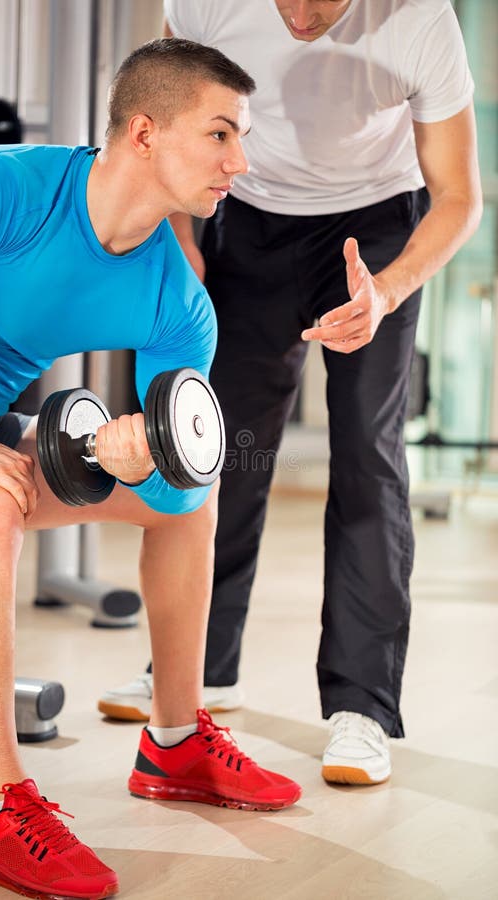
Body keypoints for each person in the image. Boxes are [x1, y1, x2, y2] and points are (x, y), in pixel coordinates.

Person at [0, 38, 302, 900]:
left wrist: (143, 456)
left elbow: (174, 482)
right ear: (146, 132)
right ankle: (0, 808)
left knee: (197, 491)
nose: (242, 161)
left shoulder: (176, 302)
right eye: (223, 135)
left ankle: (176, 737)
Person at [99, 0, 483, 786]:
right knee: (220, 453)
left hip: (376, 228)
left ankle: (363, 706)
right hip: (250, 218)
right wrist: (180, 241)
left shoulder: (421, 20)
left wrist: (389, 290)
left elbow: (459, 196)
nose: (305, 15)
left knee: (369, 458)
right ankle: (198, 667)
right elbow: (169, 113)